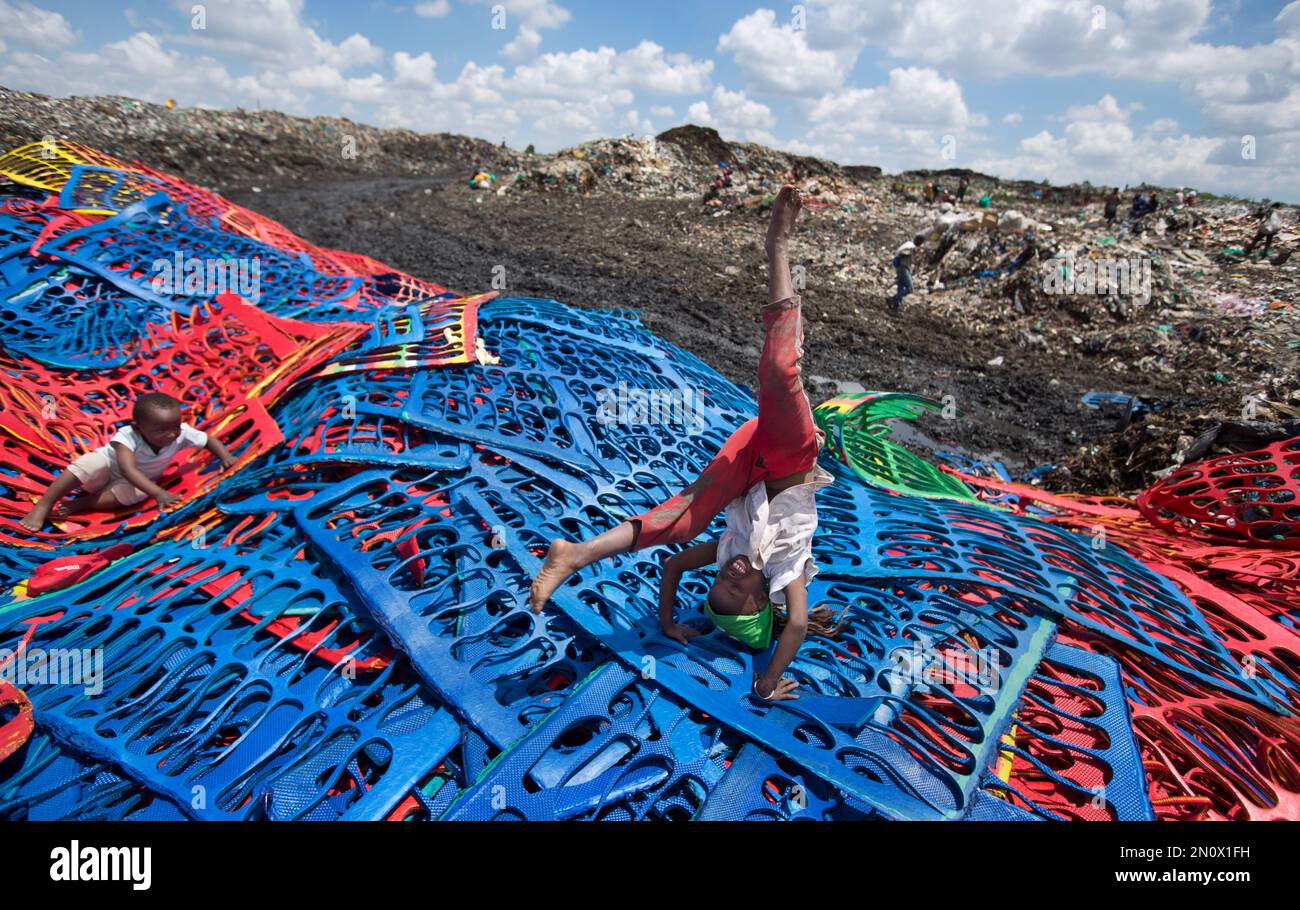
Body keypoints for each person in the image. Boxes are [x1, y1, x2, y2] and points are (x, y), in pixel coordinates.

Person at [528, 185, 844, 702]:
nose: (734, 576)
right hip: (788, 458)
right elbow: (797, 627)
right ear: (763, 599)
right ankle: (779, 247)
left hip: (750, 461)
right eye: (741, 591)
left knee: (684, 519)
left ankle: (575, 554)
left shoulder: (726, 554)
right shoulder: (786, 571)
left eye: (722, 583)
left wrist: (670, 623)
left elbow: (674, 564)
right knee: (781, 371)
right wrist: (765, 685)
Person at [20, 392, 236, 532]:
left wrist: (224, 455)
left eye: (175, 427)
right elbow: (128, 468)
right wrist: (159, 493)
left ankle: (81, 504)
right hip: (108, 470)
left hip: (134, 482)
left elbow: (207, 439)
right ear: (138, 427)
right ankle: (44, 505)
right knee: (90, 463)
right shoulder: (127, 436)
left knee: (135, 494)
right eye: (161, 430)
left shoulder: (181, 434)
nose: (171, 435)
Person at [893, 240, 916, 310]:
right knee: (910, 287)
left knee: (901, 287)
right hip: (903, 268)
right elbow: (903, 253)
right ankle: (895, 299)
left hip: (901, 268)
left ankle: (895, 305)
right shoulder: (910, 248)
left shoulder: (910, 247)